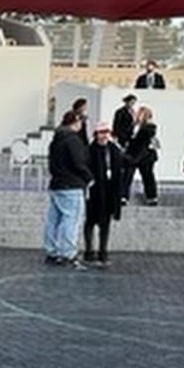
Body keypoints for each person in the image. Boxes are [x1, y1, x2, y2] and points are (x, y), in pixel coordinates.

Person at [43, 110, 93, 267]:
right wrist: (89, 178)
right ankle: (68, 254)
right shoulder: (73, 140)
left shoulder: (56, 140)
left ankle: (52, 251)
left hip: (56, 184)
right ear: (76, 122)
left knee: (53, 220)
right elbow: (79, 163)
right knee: (71, 220)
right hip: (72, 185)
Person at [85, 121, 125, 265]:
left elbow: (119, 171)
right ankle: (89, 251)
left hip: (108, 193)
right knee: (90, 222)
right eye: (101, 132)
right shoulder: (90, 150)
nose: (104, 135)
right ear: (96, 134)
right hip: (94, 192)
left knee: (105, 224)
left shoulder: (114, 149)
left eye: (106, 132)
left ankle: (103, 251)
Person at [123, 105, 159, 205]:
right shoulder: (133, 127)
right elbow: (128, 137)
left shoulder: (150, 127)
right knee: (127, 176)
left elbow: (146, 138)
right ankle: (123, 196)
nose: (138, 116)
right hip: (132, 155)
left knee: (148, 176)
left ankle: (152, 197)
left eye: (141, 114)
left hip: (145, 156)